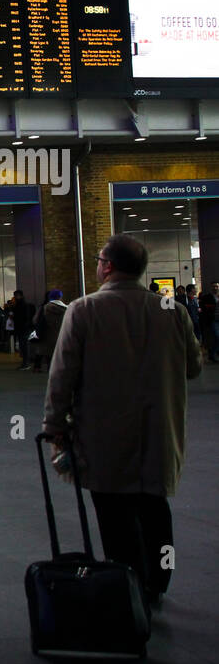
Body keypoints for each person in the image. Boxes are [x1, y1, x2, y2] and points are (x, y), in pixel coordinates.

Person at [43, 235, 203, 613]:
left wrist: (54, 423)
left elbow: (62, 376)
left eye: (99, 260)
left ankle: (127, 582)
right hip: (159, 432)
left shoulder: (83, 311)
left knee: (114, 514)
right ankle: (157, 584)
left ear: (108, 266)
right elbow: (193, 368)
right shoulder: (173, 310)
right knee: (154, 509)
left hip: (104, 435)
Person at [30, 290, 68, 374]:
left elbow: (36, 321)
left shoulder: (44, 308)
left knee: (43, 352)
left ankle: (38, 367)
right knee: (55, 354)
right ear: (60, 297)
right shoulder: (66, 309)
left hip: (45, 334)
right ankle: (53, 370)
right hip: (60, 335)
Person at [11, 290, 35, 369]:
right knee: (23, 345)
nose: (14, 298)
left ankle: (26, 363)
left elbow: (22, 317)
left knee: (24, 345)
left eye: (15, 296)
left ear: (19, 296)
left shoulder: (21, 305)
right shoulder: (21, 305)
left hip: (23, 328)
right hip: (23, 328)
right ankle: (25, 363)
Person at [199, 281, 219, 362]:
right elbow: (203, 307)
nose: (215, 288)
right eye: (214, 286)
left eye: (217, 286)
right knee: (217, 336)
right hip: (213, 320)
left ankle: (213, 352)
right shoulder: (207, 297)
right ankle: (212, 353)